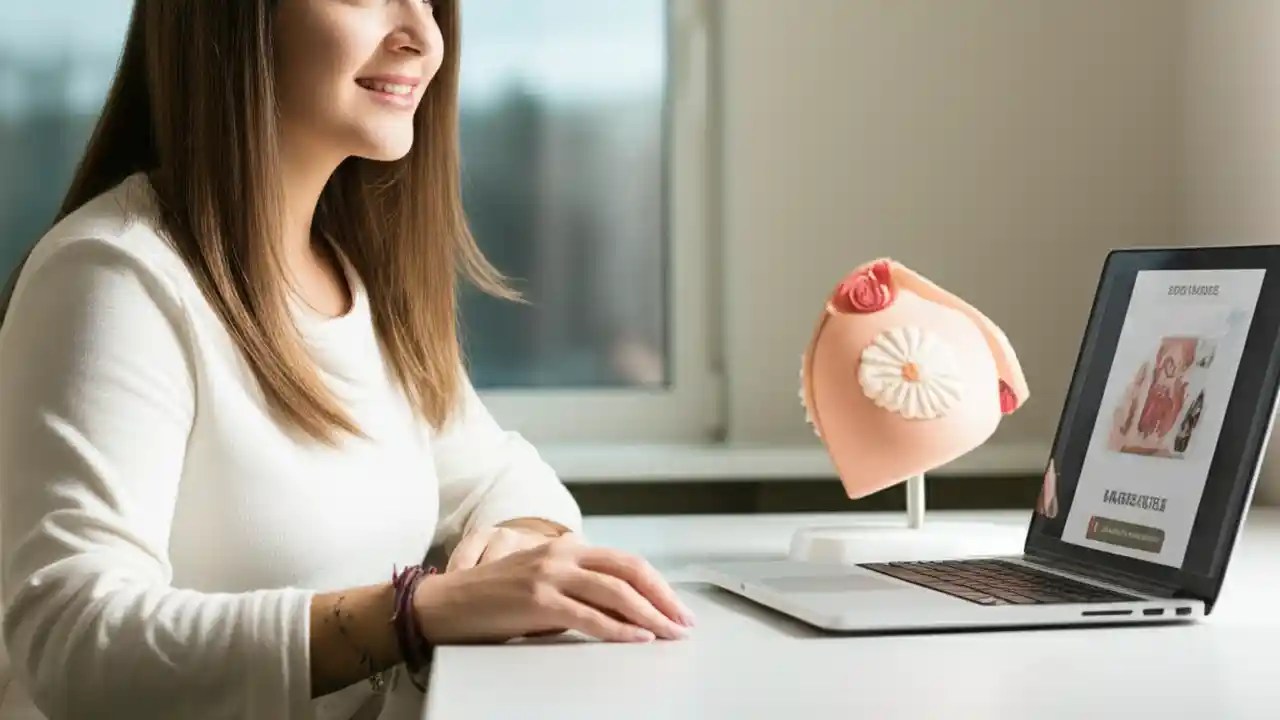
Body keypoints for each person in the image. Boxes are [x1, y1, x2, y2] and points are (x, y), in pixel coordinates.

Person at [0, 1, 694, 718]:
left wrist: (514, 548)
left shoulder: (350, 276)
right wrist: (413, 614)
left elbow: (507, 480)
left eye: (428, 1)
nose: (424, 39)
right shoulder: (114, 276)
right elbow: (71, 640)